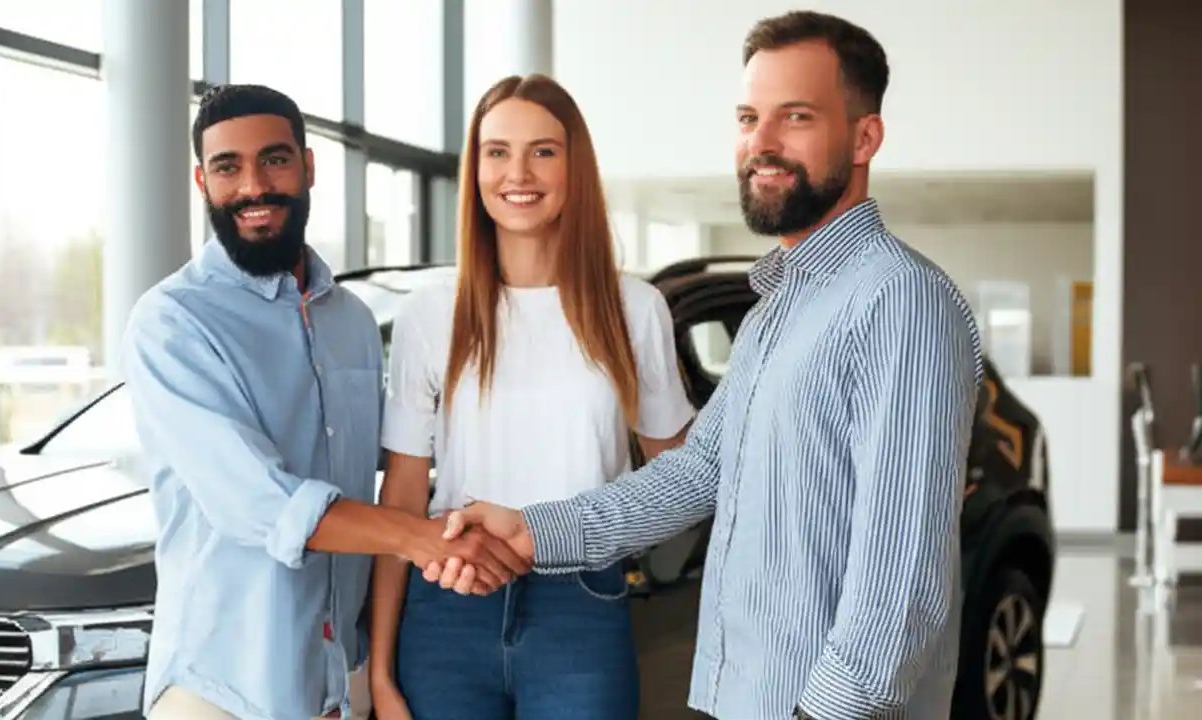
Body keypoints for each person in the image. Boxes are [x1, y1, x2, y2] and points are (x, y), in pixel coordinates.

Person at [433, 11, 984, 720]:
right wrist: (531, 530)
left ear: (864, 137)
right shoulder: (774, 314)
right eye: (749, 118)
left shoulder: (899, 301)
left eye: (796, 117)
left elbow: (901, 577)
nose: (762, 142)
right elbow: (697, 472)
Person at [121, 84, 528, 720]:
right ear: (203, 181)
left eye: (274, 159)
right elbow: (259, 502)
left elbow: (399, 461)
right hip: (223, 689)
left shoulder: (353, 321)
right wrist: (426, 540)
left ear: (308, 167)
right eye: (228, 167)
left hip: (342, 681)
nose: (254, 186)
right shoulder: (173, 321)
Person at [368, 74, 696, 720]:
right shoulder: (430, 314)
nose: (518, 173)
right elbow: (401, 500)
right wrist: (381, 669)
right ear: (476, 169)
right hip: (446, 604)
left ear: (576, 166)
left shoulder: (634, 309)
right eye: (497, 152)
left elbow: (680, 480)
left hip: (582, 608)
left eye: (543, 151)